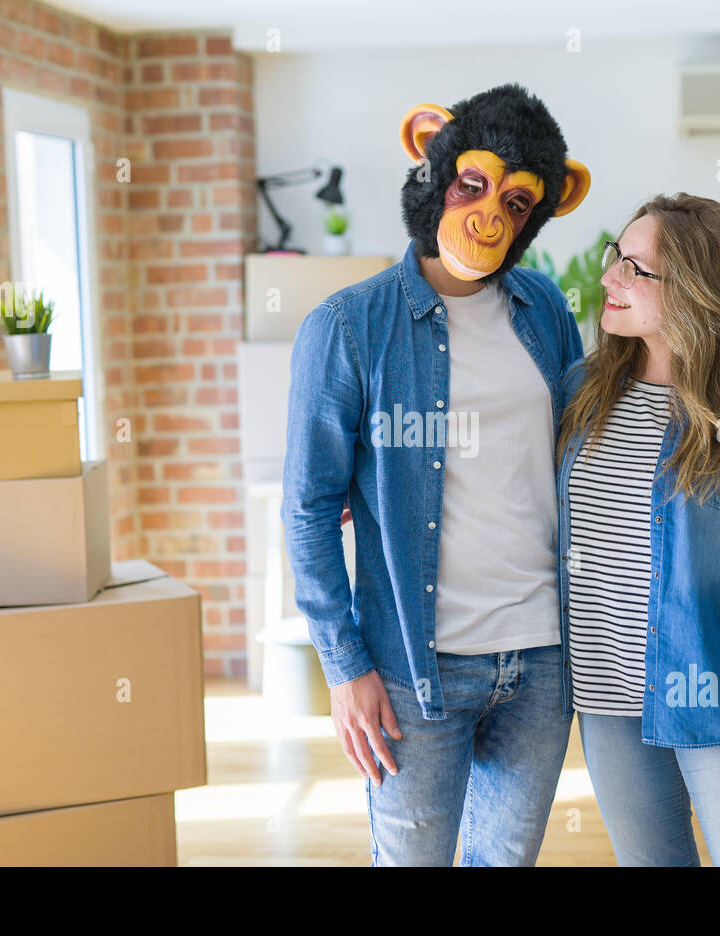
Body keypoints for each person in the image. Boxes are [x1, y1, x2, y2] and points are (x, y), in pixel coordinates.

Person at [282, 83, 591, 866]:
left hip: (539, 659)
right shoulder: (347, 326)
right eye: (473, 185)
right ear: (435, 162)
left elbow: (575, 452)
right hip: (415, 668)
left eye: (519, 203)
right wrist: (346, 668)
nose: (492, 215)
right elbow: (308, 509)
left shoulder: (544, 308)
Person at [557, 192, 720, 866]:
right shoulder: (578, 394)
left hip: (715, 701)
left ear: (697, 289)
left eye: (634, 269)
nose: (609, 277)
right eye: (616, 257)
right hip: (606, 699)